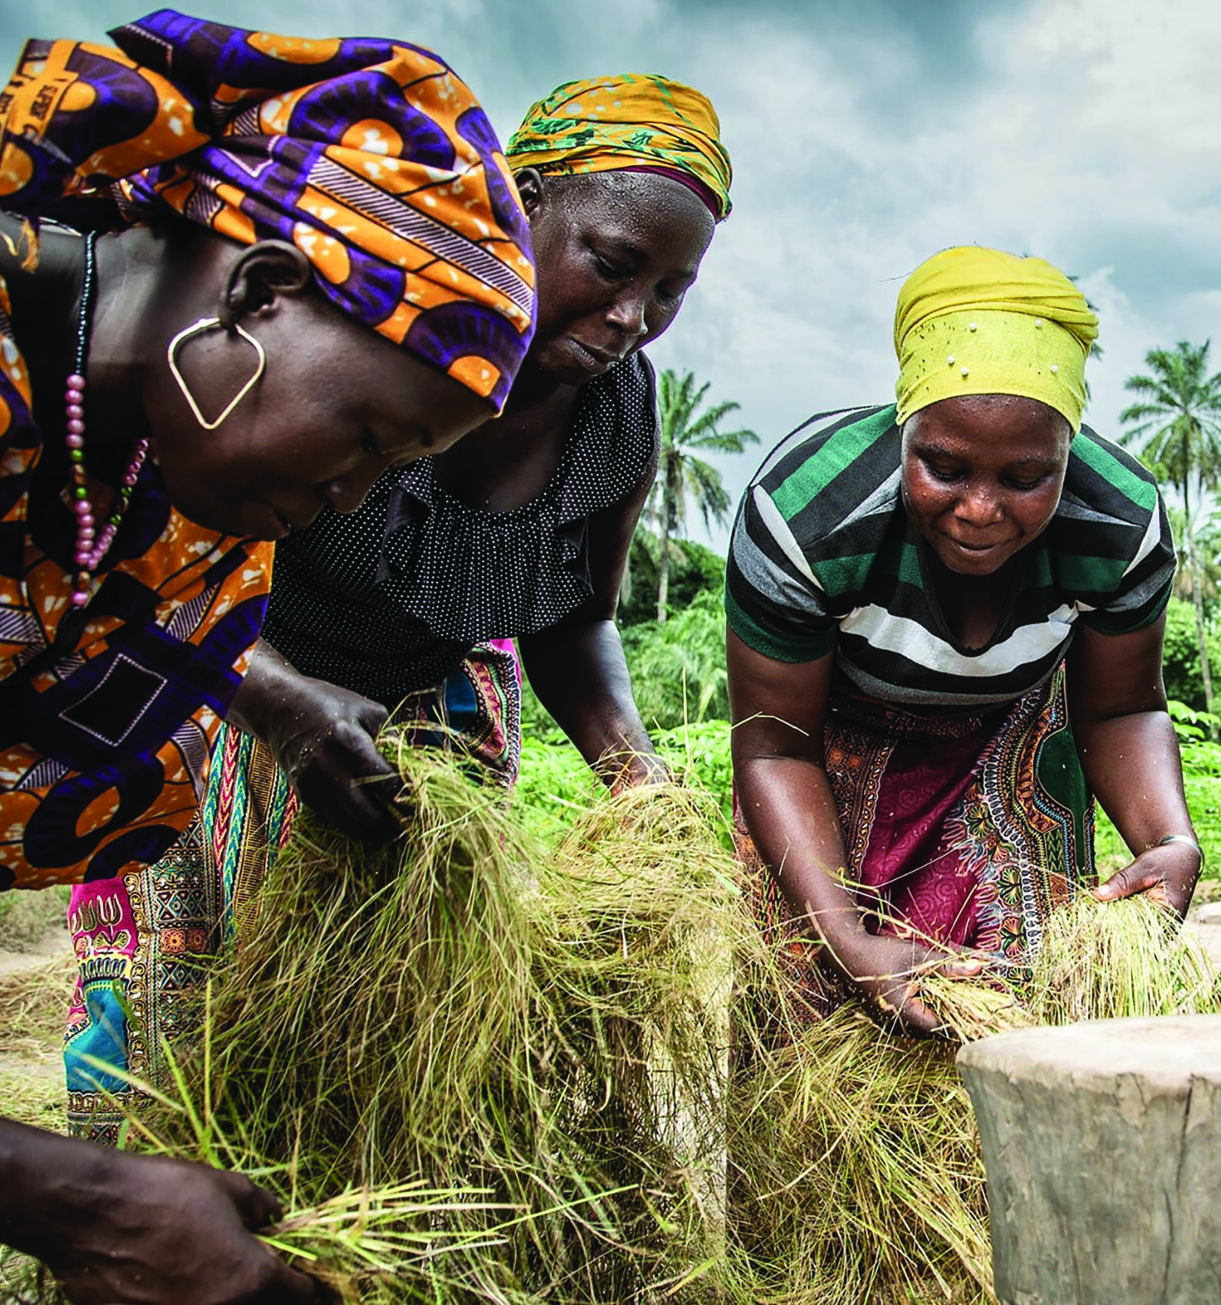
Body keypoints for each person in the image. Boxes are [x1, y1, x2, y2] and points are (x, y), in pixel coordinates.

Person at [0, 10, 535, 1300]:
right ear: (261, 290)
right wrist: (83, 1198)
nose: (353, 497)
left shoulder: (168, 502)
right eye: (372, 434)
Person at [62, 72, 734, 1141]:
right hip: (230, 678)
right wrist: (279, 702)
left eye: (669, 293)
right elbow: (163, 559)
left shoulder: (620, 414)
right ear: (523, 200)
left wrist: (637, 778)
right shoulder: (381, 313)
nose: (630, 317)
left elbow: (575, 618)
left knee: (399, 1036)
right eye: (613, 265)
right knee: (179, 1035)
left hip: (429, 719)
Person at [725, 246, 1203, 1036]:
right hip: (824, 758)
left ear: (1066, 455)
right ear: (903, 428)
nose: (980, 509)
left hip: (1005, 749)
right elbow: (776, 749)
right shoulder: (806, 513)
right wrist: (844, 935)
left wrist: (1168, 837)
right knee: (805, 1036)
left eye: (1025, 479)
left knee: (1019, 1026)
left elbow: (1120, 709)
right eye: (943, 466)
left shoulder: (1118, 524)